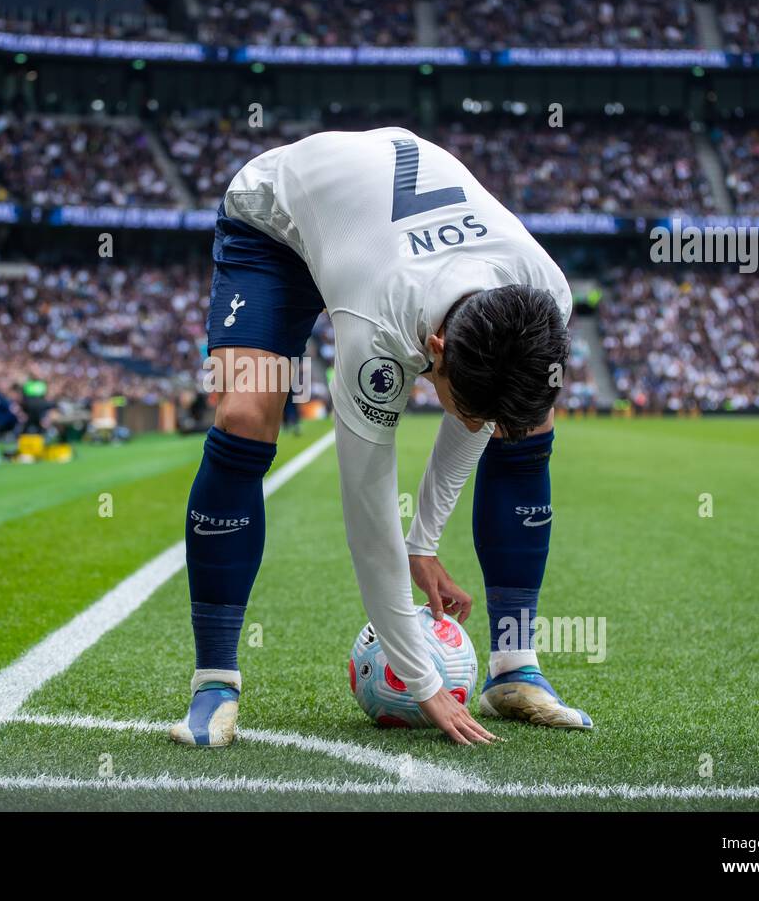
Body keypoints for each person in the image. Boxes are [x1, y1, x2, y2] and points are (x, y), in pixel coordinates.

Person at [172, 128, 592, 748]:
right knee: (245, 416)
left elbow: (481, 415)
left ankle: (513, 665)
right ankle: (214, 680)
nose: (473, 426)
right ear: (435, 349)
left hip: (379, 236)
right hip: (276, 224)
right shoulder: (378, 328)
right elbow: (369, 514)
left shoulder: (546, 295)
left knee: (525, 422)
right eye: (466, 408)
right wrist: (422, 680)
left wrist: (424, 541)